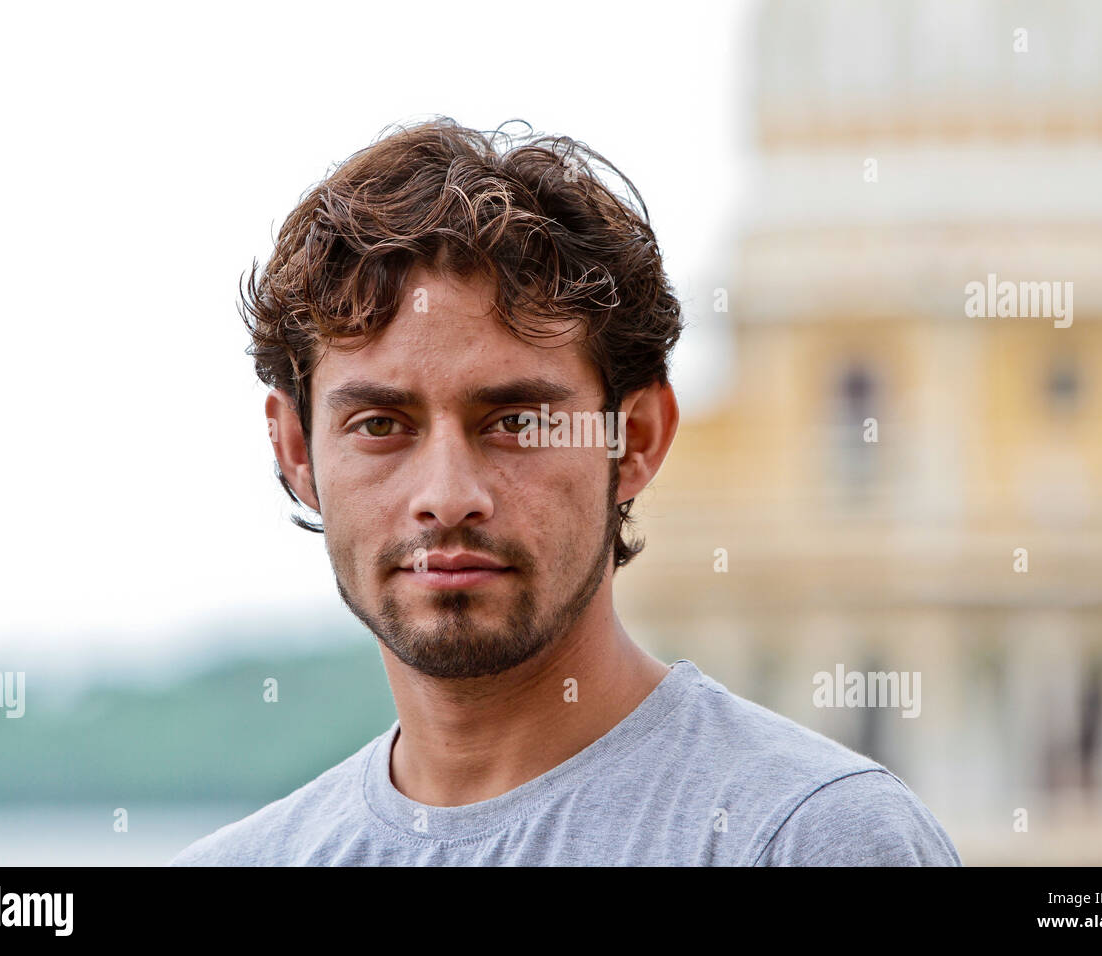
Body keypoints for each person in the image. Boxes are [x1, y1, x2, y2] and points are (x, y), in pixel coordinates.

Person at [170, 118, 961, 866]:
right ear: (297, 450)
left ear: (636, 439)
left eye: (515, 421)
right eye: (381, 425)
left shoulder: (807, 839)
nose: (448, 495)